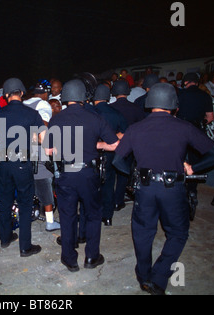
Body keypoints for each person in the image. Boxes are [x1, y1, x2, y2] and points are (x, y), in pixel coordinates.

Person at [112, 83, 214, 294]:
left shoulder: (136, 128)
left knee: (143, 233)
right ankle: (159, 276)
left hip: (144, 188)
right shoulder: (184, 127)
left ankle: (144, 276)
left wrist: (133, 175)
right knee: (178, 233)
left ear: (149, 103)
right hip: (173, 188)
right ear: (174, 105)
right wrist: (193, 168)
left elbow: (118, 161)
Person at [43, 79, 119, 272]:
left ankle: (69, 259)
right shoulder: (95, 118)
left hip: (66, 173)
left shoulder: (56, 119)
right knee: (93, 215)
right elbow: (113, 145)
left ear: (65, 98)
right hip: (87, 172)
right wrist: (95, 145)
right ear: (84, 98)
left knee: (68, 216)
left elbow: (49, 150)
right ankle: (92, 257)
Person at [0, 78, 45, 257]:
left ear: (6, 95)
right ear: (22, 93)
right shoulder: (31, 114)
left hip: (3, 164)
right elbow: (43, 138)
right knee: (25, 205)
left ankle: (5, 239)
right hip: (22, 164)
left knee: (4, 202)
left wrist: (2, 140)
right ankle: (25, 247)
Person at [23, 80, 60, 232]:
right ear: (45, 93)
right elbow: (44, 124)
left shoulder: (23, 103)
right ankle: (50, 222)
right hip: (37, 149)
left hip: (20, 149)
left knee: (26, 183)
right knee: (45, 182)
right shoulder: (44, 104)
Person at [176, 72, 214, 208]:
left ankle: (179, 190)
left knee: (179, 161)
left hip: (181, 131)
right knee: (194, 163)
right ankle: (192, 191)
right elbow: (210, 117)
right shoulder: (205, 96)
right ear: (197, 83)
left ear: (185, 83)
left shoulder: (180, 95)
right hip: (197, 132)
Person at [93, 84, 128, 226]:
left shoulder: (90, 112)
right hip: (110, 152)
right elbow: (125, 132)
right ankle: (107, 216)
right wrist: (112, 138)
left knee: (92, 184)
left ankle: (94, 214)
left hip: (93, 151)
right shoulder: (116, 113)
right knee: (108, 183)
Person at [110, 79, 145, 211]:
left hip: (111, 144)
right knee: (124, 173)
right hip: (129, 145)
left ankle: (109, 200)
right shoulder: (136, 108)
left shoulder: (110, 108)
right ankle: (119, 200)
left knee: (110, 175)